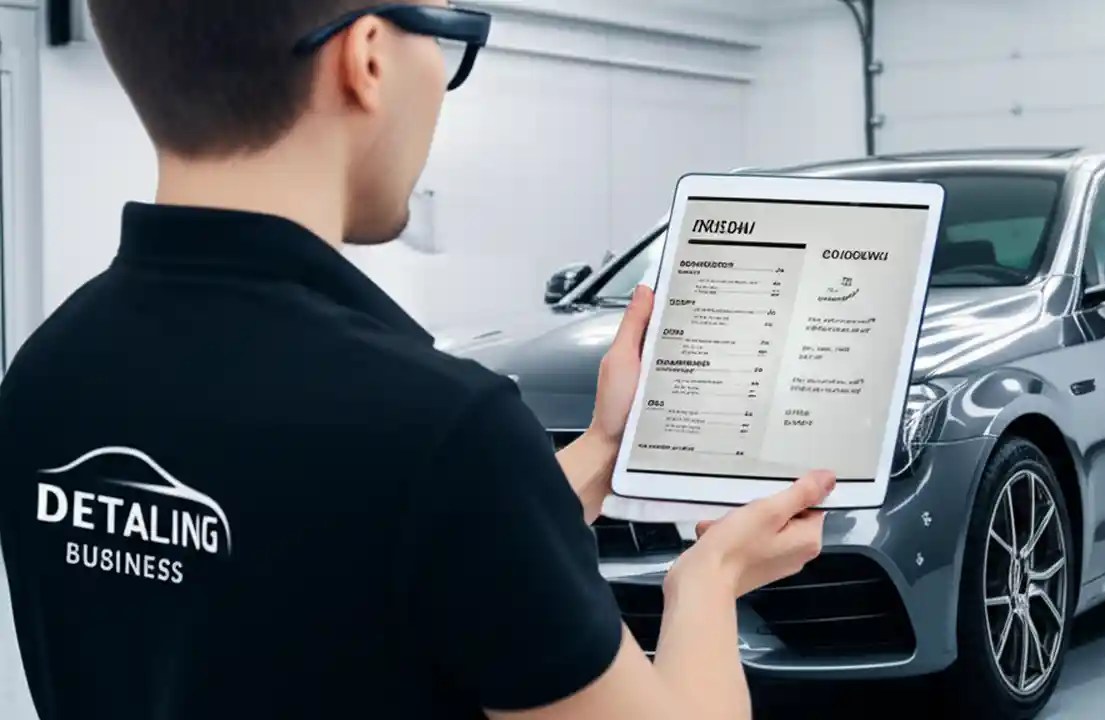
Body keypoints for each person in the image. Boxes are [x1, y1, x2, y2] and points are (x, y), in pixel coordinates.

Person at [0, 2, 835, 718]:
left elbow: (358, 559)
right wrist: (710, 579)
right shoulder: (440, 429)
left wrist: (609, 453)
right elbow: (421, 510)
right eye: (447, 36)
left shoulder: (46, 377)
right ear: (366, 58)